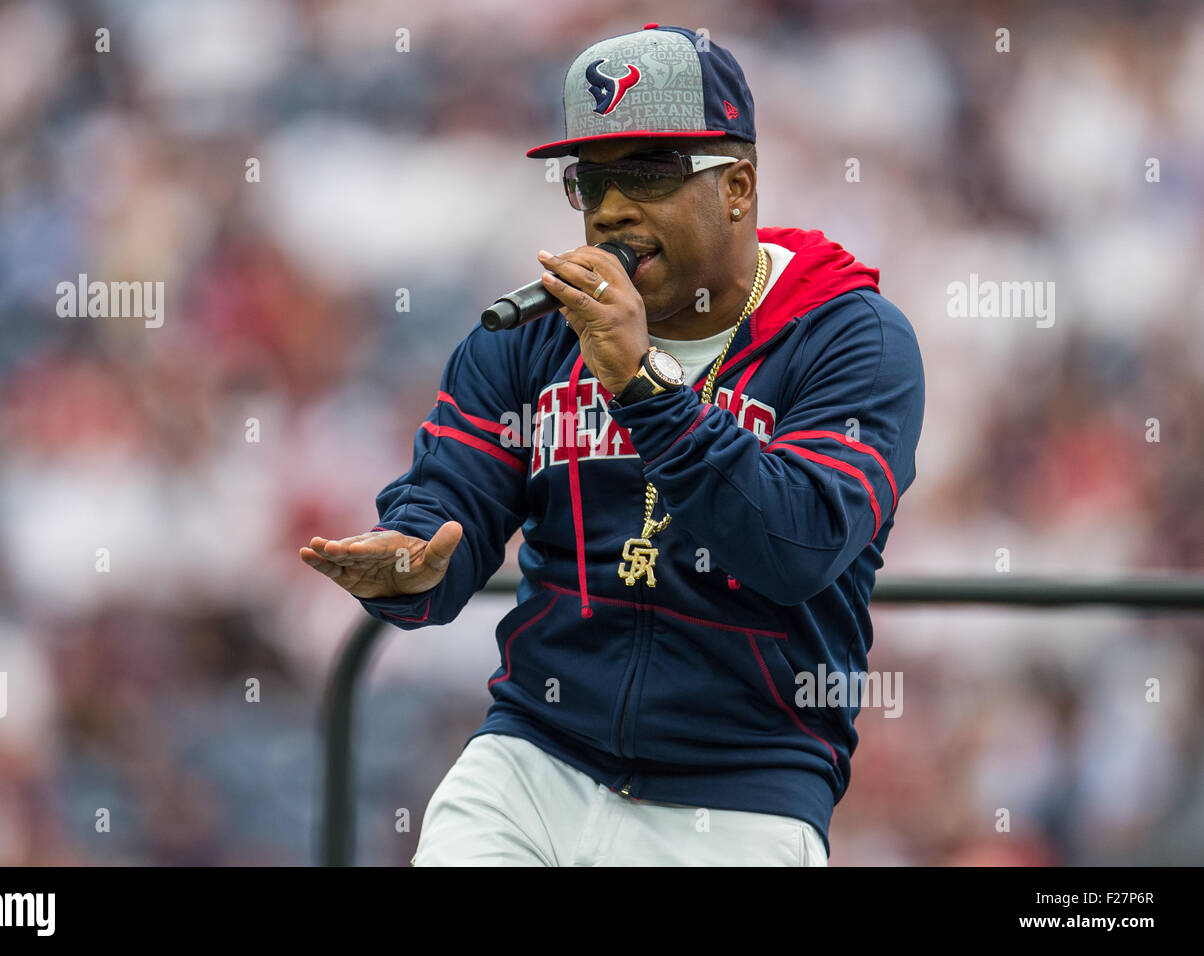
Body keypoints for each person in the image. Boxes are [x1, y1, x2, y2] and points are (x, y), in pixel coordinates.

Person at [301, 23, 924, 866]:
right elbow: (452, 503)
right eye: (590, 180)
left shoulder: (852, 341)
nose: (612, 210)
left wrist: (643, 383)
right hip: (535, 754)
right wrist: (412, 561)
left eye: (648, 173)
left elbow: (796, 547)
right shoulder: (529, 337)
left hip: (737, 791)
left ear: (738, 187)